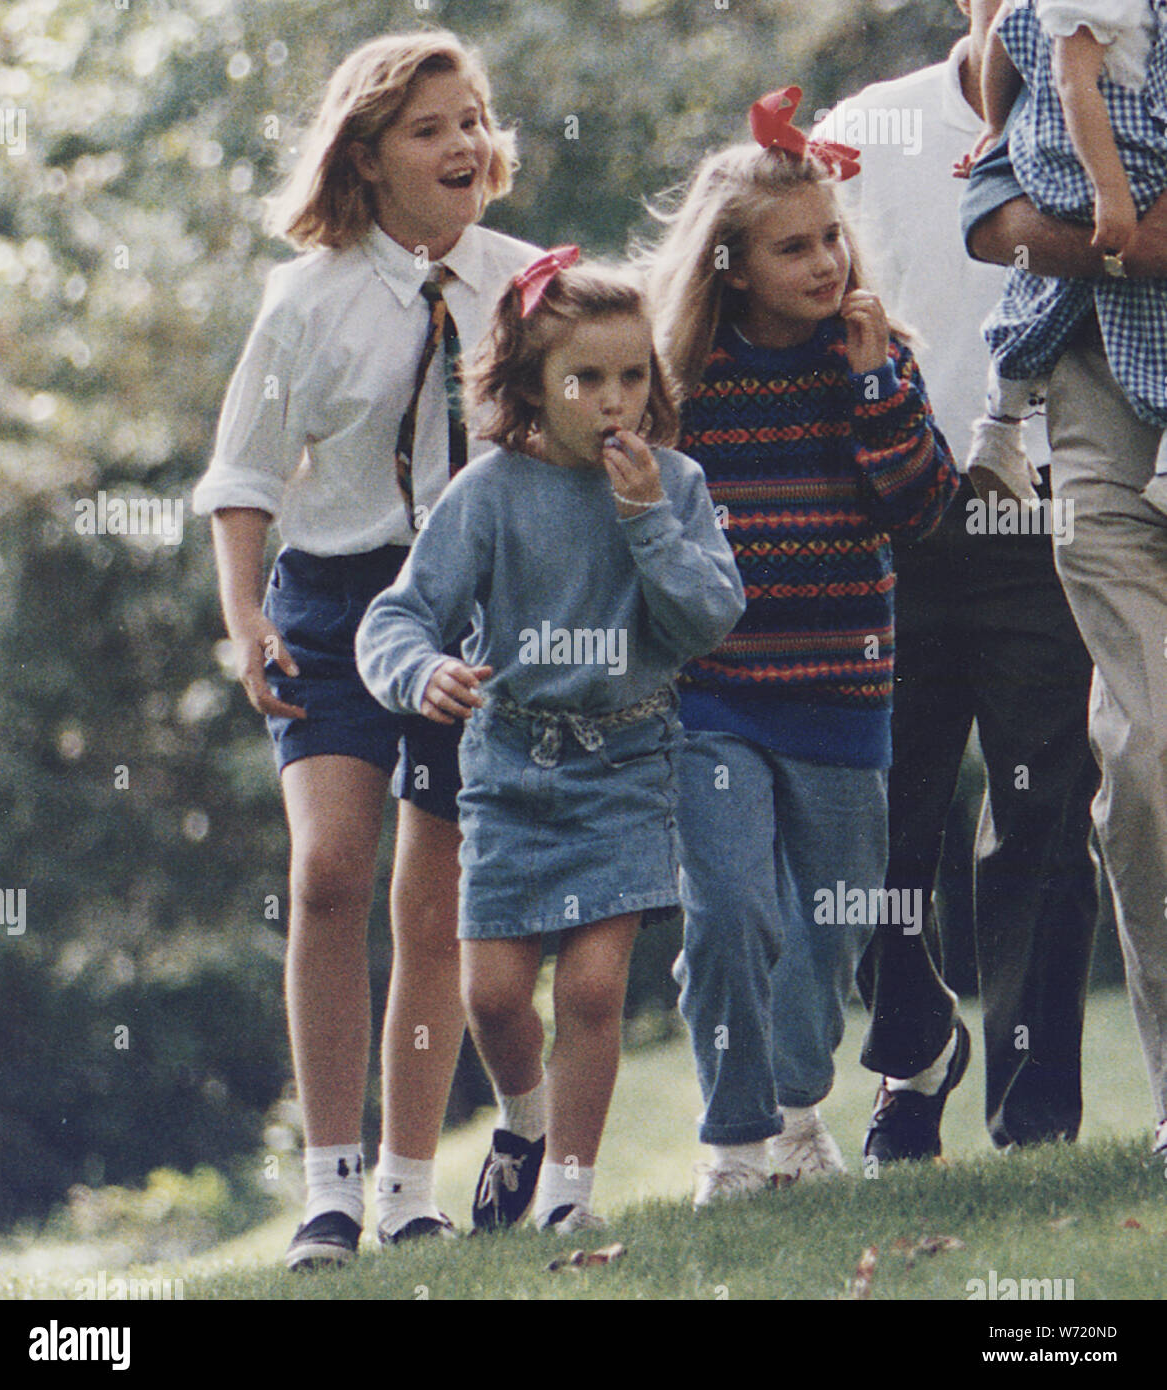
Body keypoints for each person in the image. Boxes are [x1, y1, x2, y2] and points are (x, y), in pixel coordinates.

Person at [192, 30, 538, 1269]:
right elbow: (241, 477)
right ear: (368, 155)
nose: (464, 144)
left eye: (475, 120)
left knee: (429, 898)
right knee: (331, 867)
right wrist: (247, 623)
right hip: (334, 605)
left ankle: (408, 1186)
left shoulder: (524, 284)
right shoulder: (307, 296)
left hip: (464, 609)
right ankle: (328, 1189)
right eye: (430, 126)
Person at [355, 252, 745, 1234]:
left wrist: (648, 520)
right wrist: (422, 673)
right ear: (532, 383)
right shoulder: (490, 494)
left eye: (631, 376)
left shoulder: (676, 484)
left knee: (594, 984)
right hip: (510, 773)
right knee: (490, 996)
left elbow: (710, 618)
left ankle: (568, 1194)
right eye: (586, 379)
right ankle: (523, 1118)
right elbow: (397, 617)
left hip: (625, 767)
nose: (615, 399)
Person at [643, 88, 959, 1206]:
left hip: (842, 692)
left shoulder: (876, 360)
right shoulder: (680, 384)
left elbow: (919, 510)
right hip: (716, 694)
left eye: (831, 237)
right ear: (731, 264)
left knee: (829, 931)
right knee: (730, 912)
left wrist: (878, 385)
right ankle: (734, 1146)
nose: (825, 262)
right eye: (794, 247)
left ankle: (795, 1110)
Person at [814, 0, 1099, 1160]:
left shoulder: (1117, 127)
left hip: (1048, 514)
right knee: (881, 821)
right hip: (888, 524)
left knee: (1036, 816)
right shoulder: (867, 130)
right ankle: (914, 1057)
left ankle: (1033, 1119)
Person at [964, 30, 1167, 1162]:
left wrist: (1116, 232)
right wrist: (1127, 234)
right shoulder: (1066, 28)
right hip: (1097, 417)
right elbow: (995, 218)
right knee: (1145, 761)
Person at [956, 0, 1167, 509]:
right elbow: (1075, 85)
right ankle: (1163, 470)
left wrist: (995, 125)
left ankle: (999, 428)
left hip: (1055, 170)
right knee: (1149, 314)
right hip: (1114, 169)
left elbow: (1003, 40)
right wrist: (1111, 192)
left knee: (1034, 303)